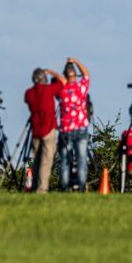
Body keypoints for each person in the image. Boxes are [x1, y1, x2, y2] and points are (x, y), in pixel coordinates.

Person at [24, 67, 67, 193]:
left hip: (35, 130)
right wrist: (51, 72)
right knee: (46, 161)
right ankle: (42, 189)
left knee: (36, 160)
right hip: (49, 129)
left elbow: (28, 100)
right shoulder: (49, 90)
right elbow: (63, 81)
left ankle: (34, 185)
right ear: (44, 79)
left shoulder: (29, 93)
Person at [57, 57, 91, 192]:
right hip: (81, 128)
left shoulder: (61, 90)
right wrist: (77, 62)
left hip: (66, 130)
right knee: (82, 159)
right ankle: (81, 187)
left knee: (65, 161)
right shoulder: (81, 88)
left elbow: (58, 81)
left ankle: (65, 187)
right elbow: (86, 75)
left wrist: (52, 73)